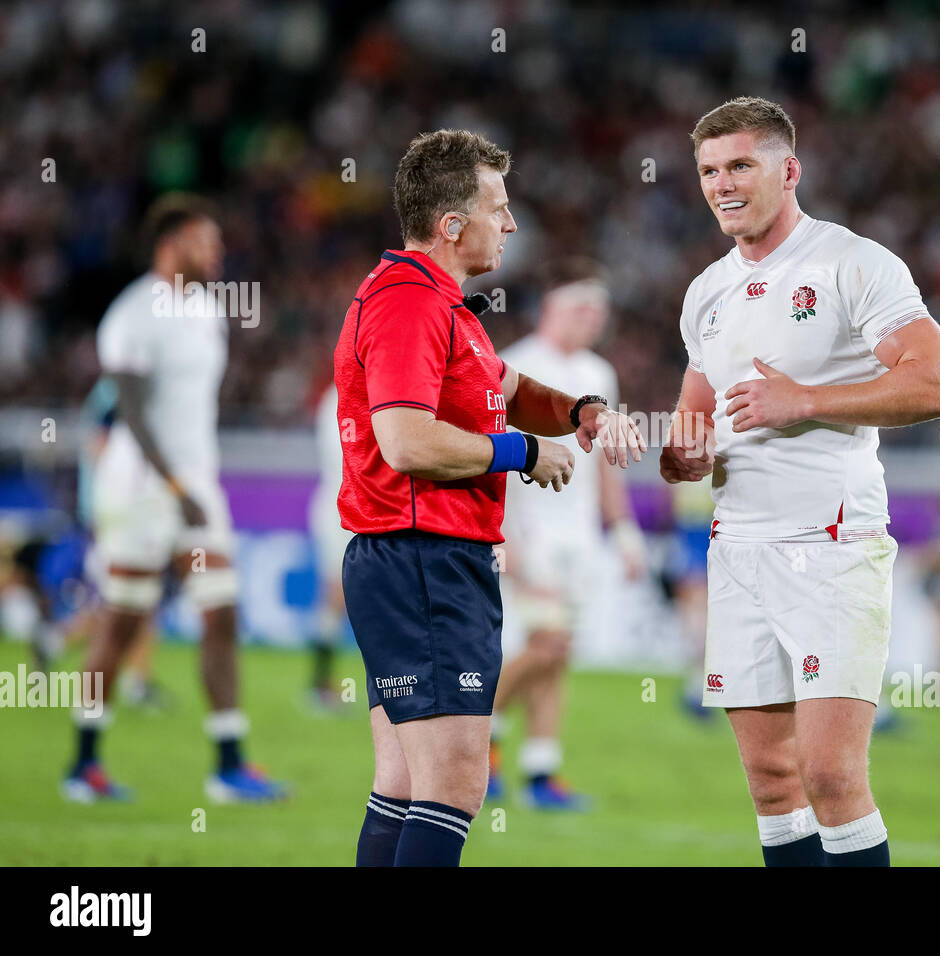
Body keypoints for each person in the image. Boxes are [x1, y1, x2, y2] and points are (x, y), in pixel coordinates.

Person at [660, 97, 940, 866]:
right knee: (770, 779)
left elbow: (937, 384)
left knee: (830, 774)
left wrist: (808, 400)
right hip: (738, 550)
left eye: (740, 165)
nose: (722, 184)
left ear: (788, 170)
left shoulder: (852, 263)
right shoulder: (706, 293)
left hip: (831, 545)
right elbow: (693, 423)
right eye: (708, 171)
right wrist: (681, 454)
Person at [337, 130, 645, 867]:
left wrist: (582, 413)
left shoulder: (447, 309)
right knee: (453, 784)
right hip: (424, 560)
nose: (510, 224)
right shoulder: (410, 304)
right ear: (452, 225)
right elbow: (407, 442)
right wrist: (524, 452)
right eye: (499, 209)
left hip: (415, 560)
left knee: (407, 782)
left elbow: (513, 390)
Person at [65, 193, 285, 803]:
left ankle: (230, 764)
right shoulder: (132, 315)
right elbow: (130, 416)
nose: (217, 251)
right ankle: (84, 762)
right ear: (172, 244)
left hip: (195, 486)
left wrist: (192, 485)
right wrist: (175, 486)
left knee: (222, 613)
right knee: (124, 622)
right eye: (206, 240)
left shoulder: (209, 310)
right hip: (141, 489)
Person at [491, 259, 647, 809]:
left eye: (597, 311)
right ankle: (481, 737)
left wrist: (623, 530)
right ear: (551, 308)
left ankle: (540, 771)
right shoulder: (514, 367)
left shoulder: (600, 374)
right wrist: (503, 538)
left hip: (578, 534)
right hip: (528, 531)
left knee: (558, 652)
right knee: (545, 643)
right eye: (580, 308)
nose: (591, 320)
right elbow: (491, 457)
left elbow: (606, 462)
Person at [306, 382, 351, 710]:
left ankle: (322, 684)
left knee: (337, 597)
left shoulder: (331, 397)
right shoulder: (343, 398)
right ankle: (320, 686)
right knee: (337, 595)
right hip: (343, 507)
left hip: (340, 505)